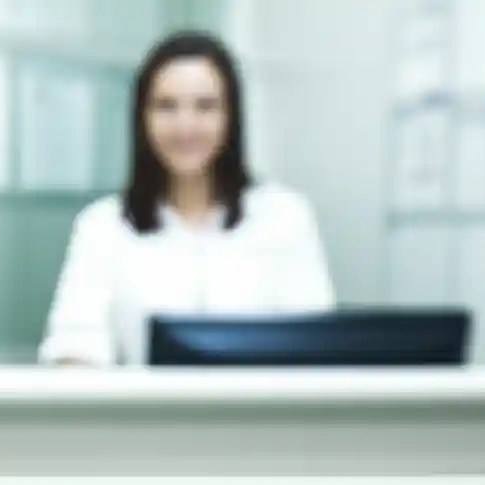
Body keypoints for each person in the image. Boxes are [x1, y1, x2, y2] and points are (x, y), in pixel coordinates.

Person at [39, 31, 335, 367]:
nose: (185, 126)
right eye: (166, 107)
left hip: (259, 418)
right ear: (143, 118)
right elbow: (74, 345)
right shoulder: (102, 227)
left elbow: (315, 349)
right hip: (145, 417)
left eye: (205, 106)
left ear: (230, 117)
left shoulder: (285, 218)